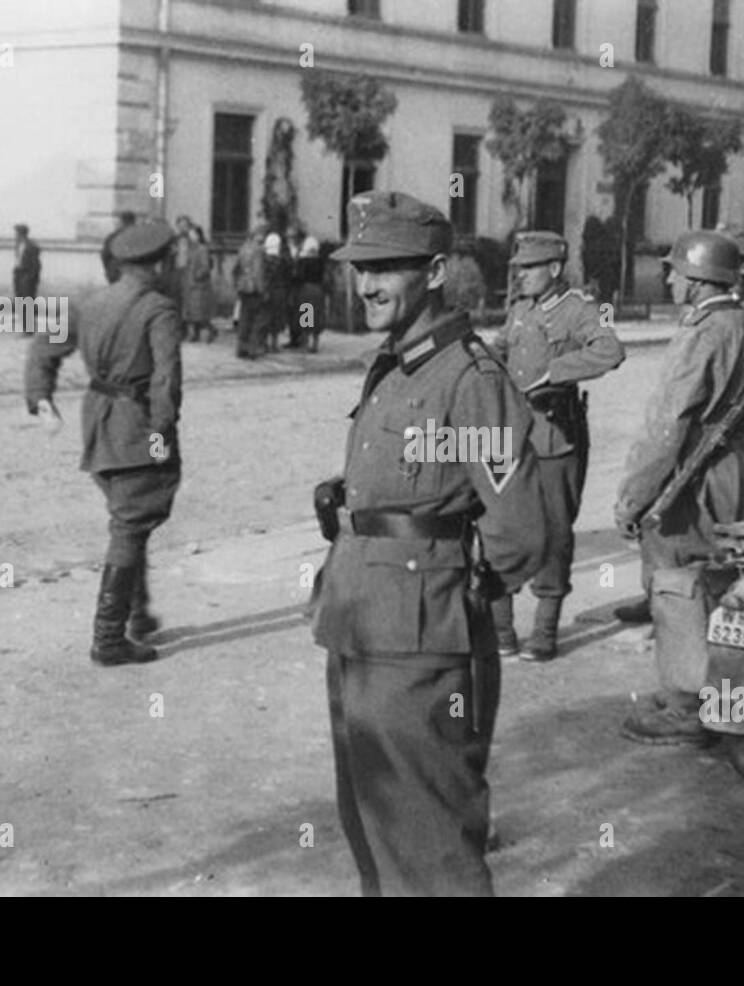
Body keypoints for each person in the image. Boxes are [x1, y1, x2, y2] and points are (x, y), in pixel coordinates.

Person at [310, 190, 547, 896]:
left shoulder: (469, 379)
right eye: (361, 268)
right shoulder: (396, 364)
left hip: (420, 646)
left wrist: (456, 597)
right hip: (356, 621)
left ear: (436, 271)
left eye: (387, 269)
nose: (367, 285)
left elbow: (522, 530)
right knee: (372, 825)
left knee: (430, 841)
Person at [614, 231, 744, 742]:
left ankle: (686, 707)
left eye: (676, 271)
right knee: (721, 582)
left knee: (677, 584)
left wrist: (634, 498)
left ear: (700, 280)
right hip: (738, 472)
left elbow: (668, 426)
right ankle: (713, 688)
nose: (669, 278)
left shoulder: (702, 333)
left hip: (694, 480)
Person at [24, 222, 183, 667]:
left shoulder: (88, 304)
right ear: (159, 262)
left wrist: (40, 399)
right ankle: (109, 638)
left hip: (97, 425)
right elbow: (166, 381)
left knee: (130, 516)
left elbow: (42, 347)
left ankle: (138, 614)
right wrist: (162, 434)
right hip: (137, 428)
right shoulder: (159, 310)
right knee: (131, 524)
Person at [488, 231, 625, 661]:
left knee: (554, 533)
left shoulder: (579, 310)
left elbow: (610, 350)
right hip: (511, 436)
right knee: (499, 528)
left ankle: (544, 632)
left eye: (528, 269)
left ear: (552, 269)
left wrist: (558, 372)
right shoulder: (519, 310)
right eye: (518, 270)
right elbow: (499, 351)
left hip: (555, 438)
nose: (520, 277)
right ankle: (501, 632)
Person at [230, 224, 268, 359]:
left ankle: (241, 348)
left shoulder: (243, 249)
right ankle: (253, 349)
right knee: (256, 320)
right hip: (254, 288)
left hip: (243, 288)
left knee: (244, 318)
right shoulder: (259, 251)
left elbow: (235, 270)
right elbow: (259, 273)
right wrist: (262, 290)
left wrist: (238, 284)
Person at [287, 224, 324, 352]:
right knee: (317, 316)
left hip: (306, 290)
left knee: (306, 315)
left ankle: (306, 342)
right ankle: (315, 343)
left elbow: (298, 276)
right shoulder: (320, 261)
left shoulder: (303, 262)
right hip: (318, 290)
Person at [180, 225, 217, 343]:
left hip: (198, 286)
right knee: (190, 312)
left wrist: (197, 276)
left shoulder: (202, 249)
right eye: (190, 234)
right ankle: (193, 334)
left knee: (199, 312)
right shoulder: (190, 249)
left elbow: (205, 267)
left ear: (199, 235)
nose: (191, 237)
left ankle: (209, 331)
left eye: (193, 234)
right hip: (189, 284)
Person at [262, 229, 291, 352]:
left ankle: (265, 342)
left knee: (266, 317)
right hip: (280, 292)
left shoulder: (264, 260)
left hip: (267, 291)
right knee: (277, 318)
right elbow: (288, 275)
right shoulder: (283, 261)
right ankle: (274, 343)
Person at [12, 224, 42, 325]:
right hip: (19, 276)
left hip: (26, 278)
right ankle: (25, 327)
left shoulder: (31, 247)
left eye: (17, 234)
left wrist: (30, 279)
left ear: (22, 234)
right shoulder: (19, 245)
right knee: (20, 302)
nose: (15, 236)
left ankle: (29, 329)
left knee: (27, 303)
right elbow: (18, 260)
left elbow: (36, 265)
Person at [101, 212, 137, 284]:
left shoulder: (113, 236)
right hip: (135, 274)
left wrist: (108, 270)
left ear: (121, 221)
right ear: (134, 221)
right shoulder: (139, 235)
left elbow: (105, 255)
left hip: (116, 272)